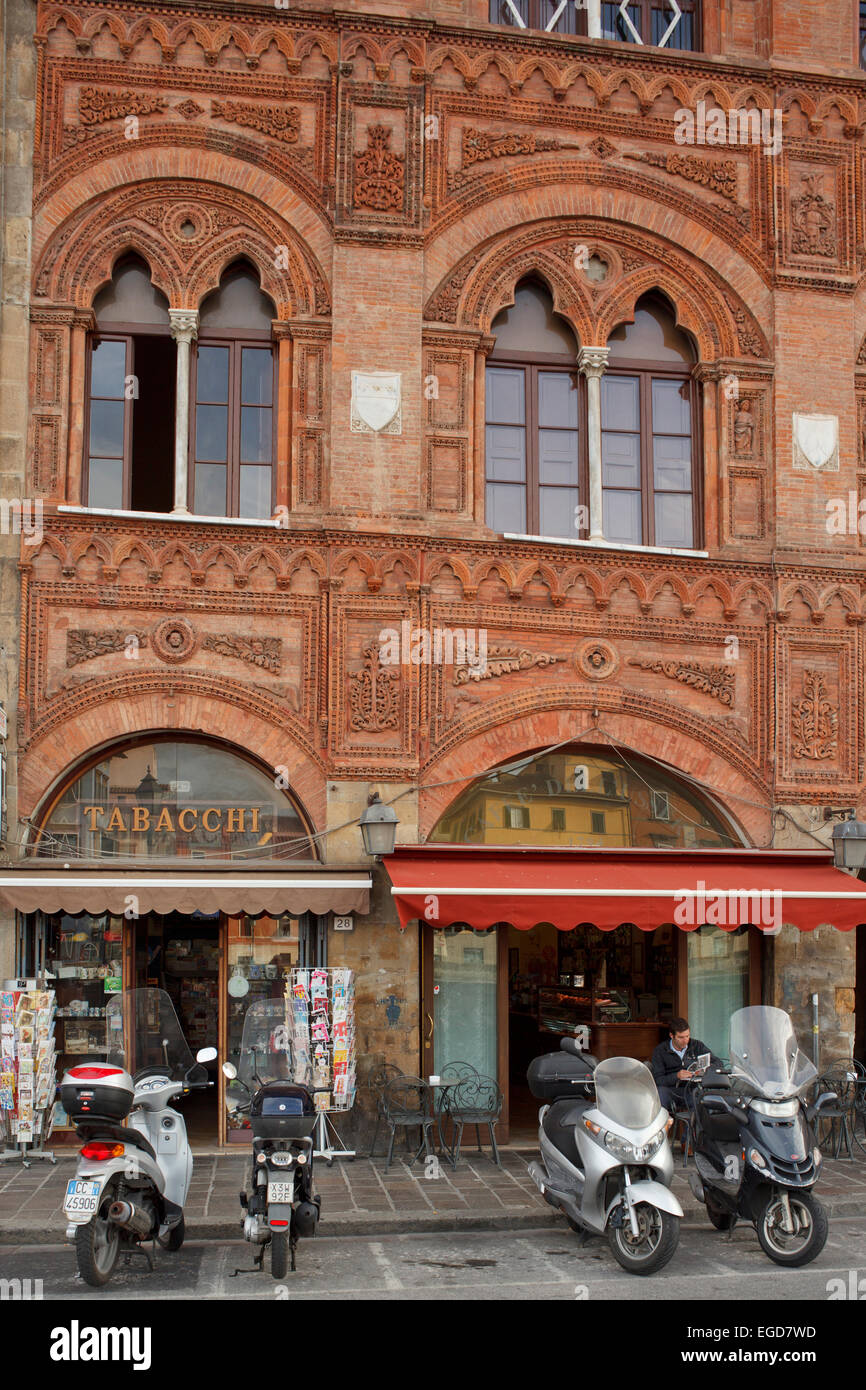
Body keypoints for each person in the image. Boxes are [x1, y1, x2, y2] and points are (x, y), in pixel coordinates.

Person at [650, 1017, 722, 1114]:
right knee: (660, 1094)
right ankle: (663, 1127)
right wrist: (676, 1076)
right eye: (681, 1037)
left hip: (692, 1089)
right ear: (672, 1035)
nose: (685, 1041)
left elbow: (718, 1063)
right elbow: (658, 1080)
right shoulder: (660, 1051)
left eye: (687, 1036)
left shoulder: (697, 1045)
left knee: (701, 1099)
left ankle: (693, 1129)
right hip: (671, 1090)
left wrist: (707, 1069)